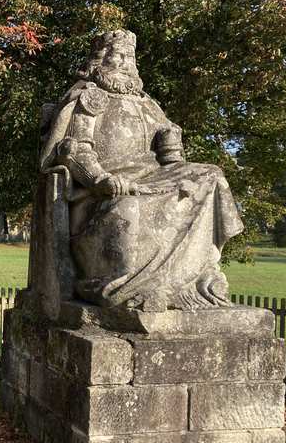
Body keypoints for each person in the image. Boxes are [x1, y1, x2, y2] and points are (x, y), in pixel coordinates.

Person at [40, 30, 243, 311]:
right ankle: (124, 287)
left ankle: (197, 278)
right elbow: (75, 150)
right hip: (101, 194)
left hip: (152, 179)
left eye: (130, 57)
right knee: (129, 205)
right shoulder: (89, 96)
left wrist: (172, 145)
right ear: (100, 59)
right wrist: (99, 179)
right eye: (118, 55)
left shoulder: (148, 104)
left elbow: (171, 160)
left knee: (211, 175)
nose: (124, 63)